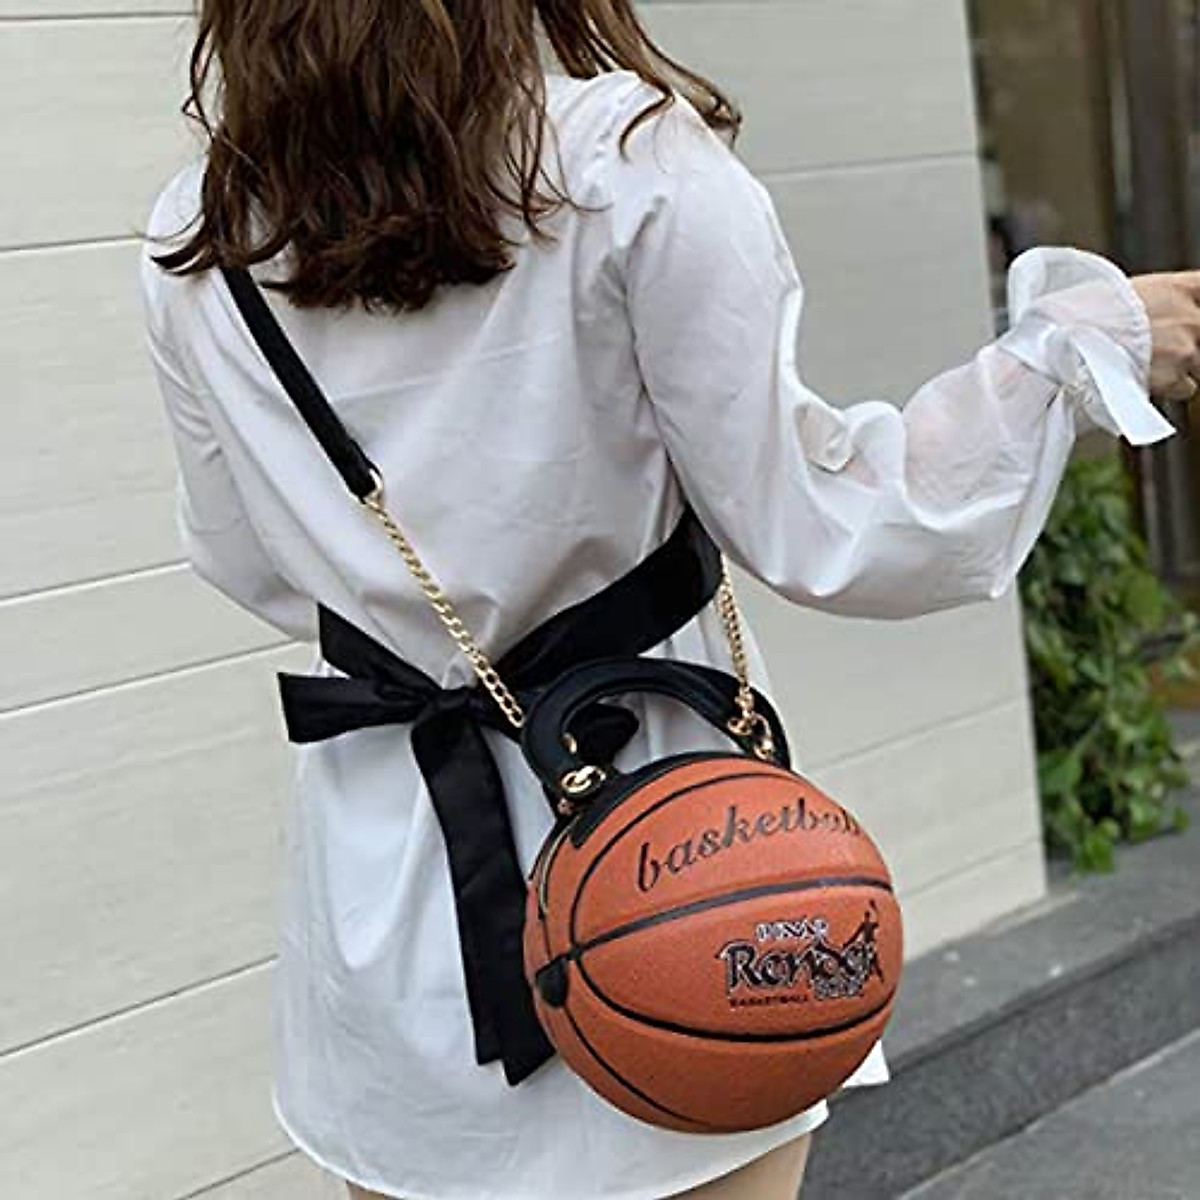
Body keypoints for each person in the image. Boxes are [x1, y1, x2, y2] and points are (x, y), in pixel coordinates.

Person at [137, 3, 1200, 1197]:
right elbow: (826, 523)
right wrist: (1068, 356)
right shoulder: (624, 167)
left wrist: (428, 616)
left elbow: (244, 559)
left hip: (397, 895)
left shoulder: (201, 236)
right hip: (684, 871)